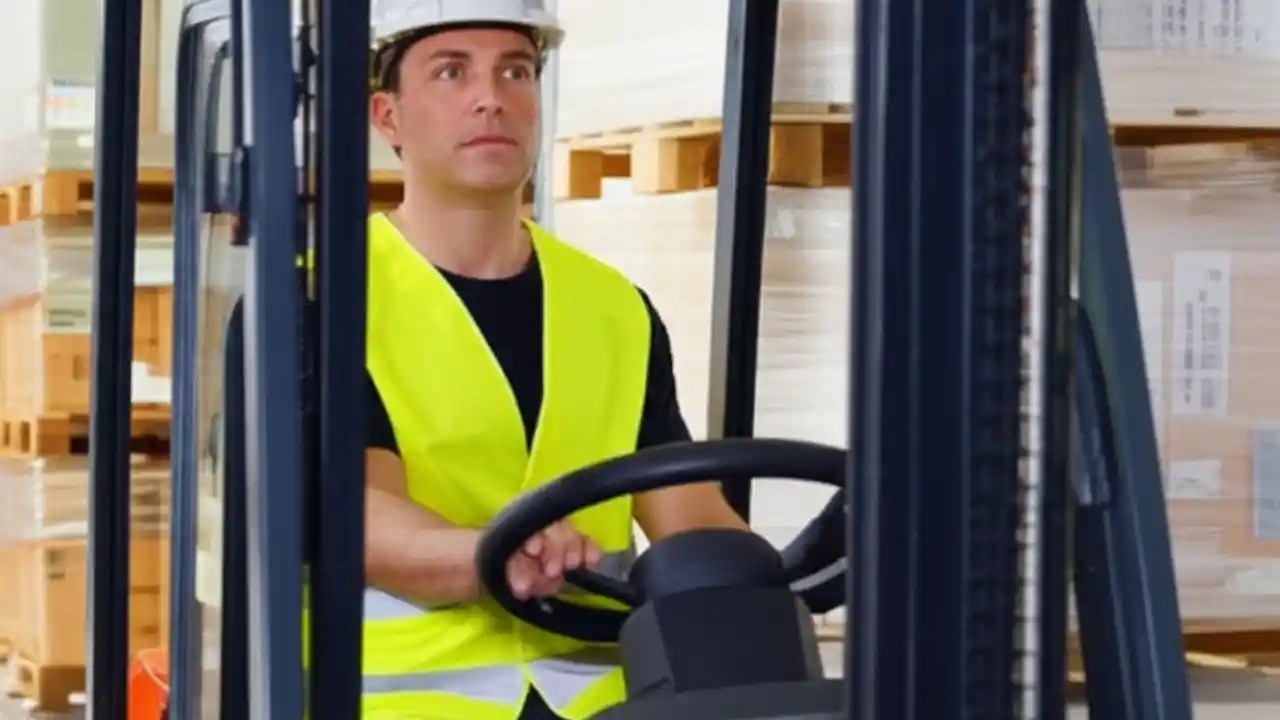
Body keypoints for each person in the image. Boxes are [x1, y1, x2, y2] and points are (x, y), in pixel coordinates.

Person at [360, 2, 751, 718]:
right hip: (399, 703)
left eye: (516, 72)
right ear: (388, 118)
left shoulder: (613, 306)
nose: (491, 97)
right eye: (451, 73)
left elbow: (685, 510)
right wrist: (494, 552)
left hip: (600, 700)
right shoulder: (330, 300)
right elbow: (362, 517)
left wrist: (789, 570)